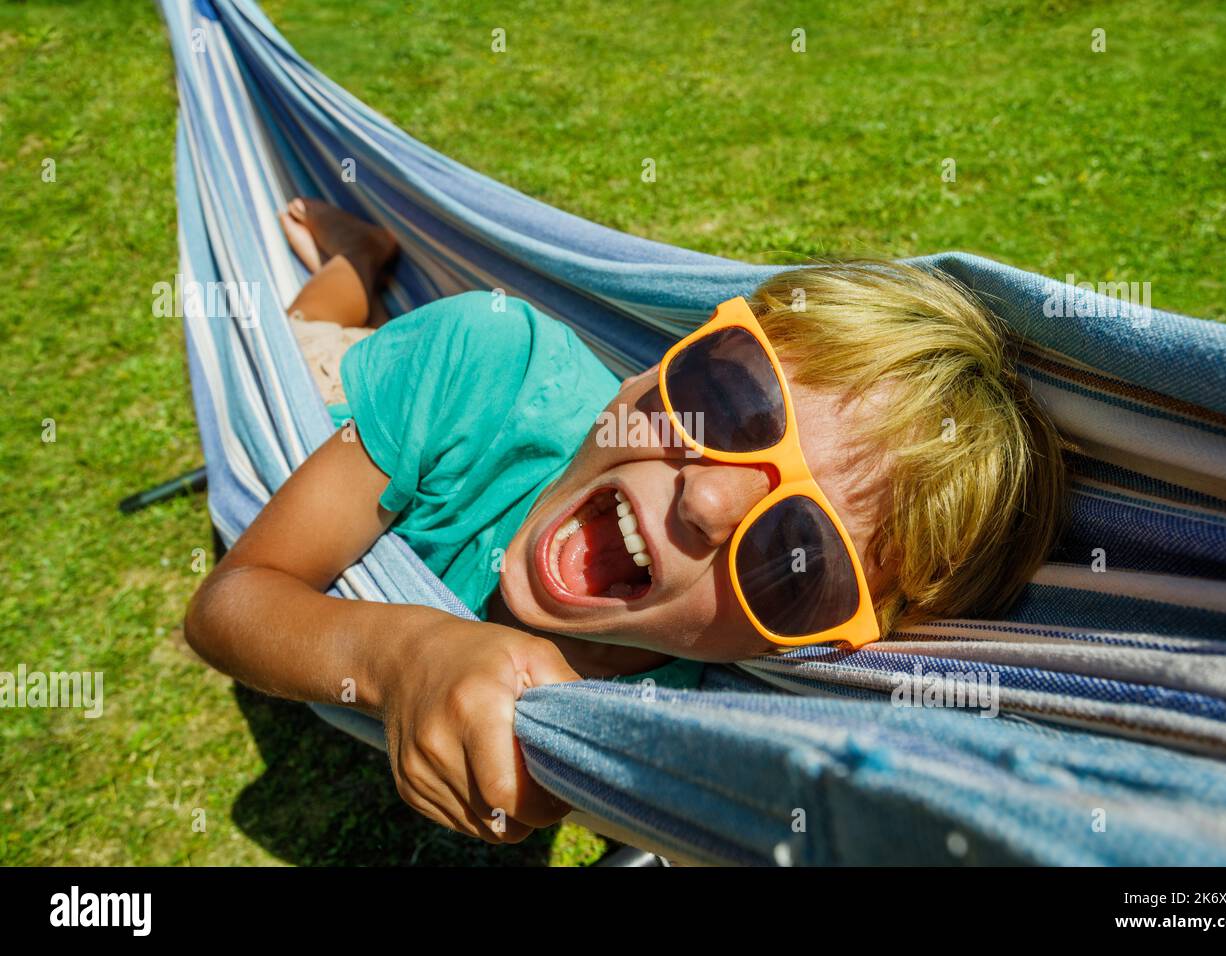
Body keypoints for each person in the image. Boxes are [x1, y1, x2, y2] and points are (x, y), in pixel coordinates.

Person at [185, 198, 1067, 843]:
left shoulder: (697, 718)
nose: (709, 498)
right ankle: (358, 252)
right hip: (350, 403)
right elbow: (232, 601)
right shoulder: (485, 365)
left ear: (816, 645)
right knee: (306, 329)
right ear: (662, 359)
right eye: (730, 395)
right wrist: (402, 654)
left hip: (413, 434)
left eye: (798, 555)